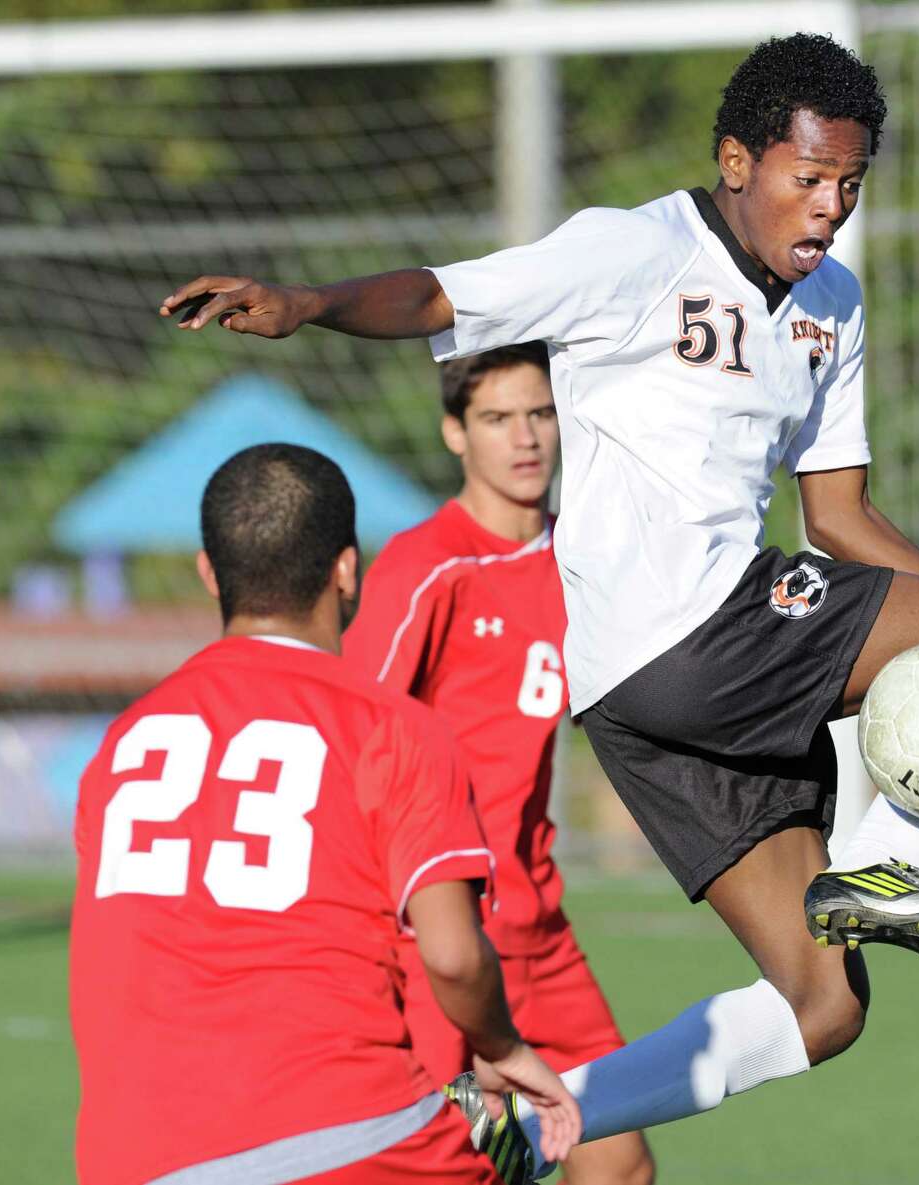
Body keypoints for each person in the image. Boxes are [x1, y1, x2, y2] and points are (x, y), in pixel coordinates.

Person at [160, 33, 919, 1172]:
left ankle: (527, 1122)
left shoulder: (834, 306)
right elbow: (439, 294)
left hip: (640, 700)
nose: (829, 209)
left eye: (850, 186)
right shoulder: (631, 249)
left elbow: (843, 519)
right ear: (734, 160)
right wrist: (308, 301)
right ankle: (893, 865)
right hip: (693, 626)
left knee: (824, 1007)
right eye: (806, 179)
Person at [69, 443, 579, 1185]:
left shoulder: (121, 743)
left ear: (209, 573)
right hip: (349, 1142)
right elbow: (453, 955)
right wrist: (502, 1048)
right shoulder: (393, 727)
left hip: (130, 1161)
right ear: (347, 570)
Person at [342, 343, 653, 1185]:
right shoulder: (426, 565)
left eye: (541, 413)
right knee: (482, 1167)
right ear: (454, 433)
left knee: (618, 1160)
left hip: (540, 930)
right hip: (439, 942)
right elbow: (346, 741)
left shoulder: (585, 559)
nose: (525, 437)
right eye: (495, 418)